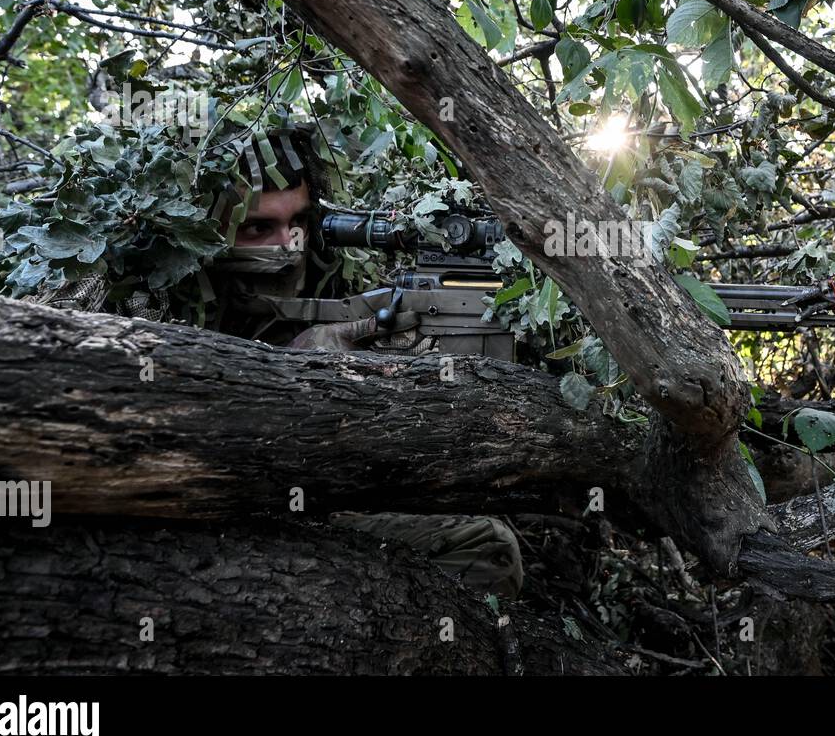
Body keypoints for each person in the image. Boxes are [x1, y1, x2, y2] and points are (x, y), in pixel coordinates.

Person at [42, 124, 524, 599]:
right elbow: (73, 421)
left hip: (281, 500)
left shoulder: (332, 277)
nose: (289, 246)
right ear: (199, 227)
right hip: (159, 522)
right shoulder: (128, 294)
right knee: (483, 545)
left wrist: (394, 381)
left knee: (483, 532)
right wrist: (293, 371)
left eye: (299, 222)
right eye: (257, 228)